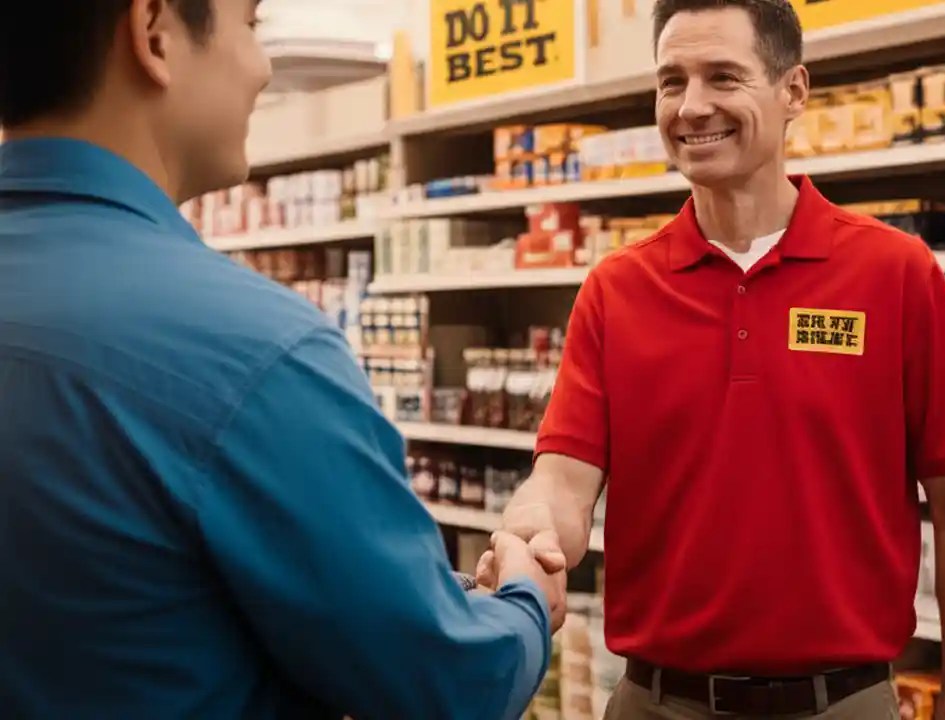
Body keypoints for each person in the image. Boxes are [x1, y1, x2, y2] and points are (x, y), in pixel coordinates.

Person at [0, 1, 564, 718]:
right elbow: (447, 684)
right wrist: (522, 602)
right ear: (153, 33)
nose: (265, 70)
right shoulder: (253, 352)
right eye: (252, 24)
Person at [481, 0, 945, 718]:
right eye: (672, 82)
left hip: (843, 702)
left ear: (793, 91)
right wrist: (530, 531)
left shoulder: (895, 273)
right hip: (654, 702)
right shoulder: (617, 288)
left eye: (722, 77)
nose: (692, 107)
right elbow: (564, 481)